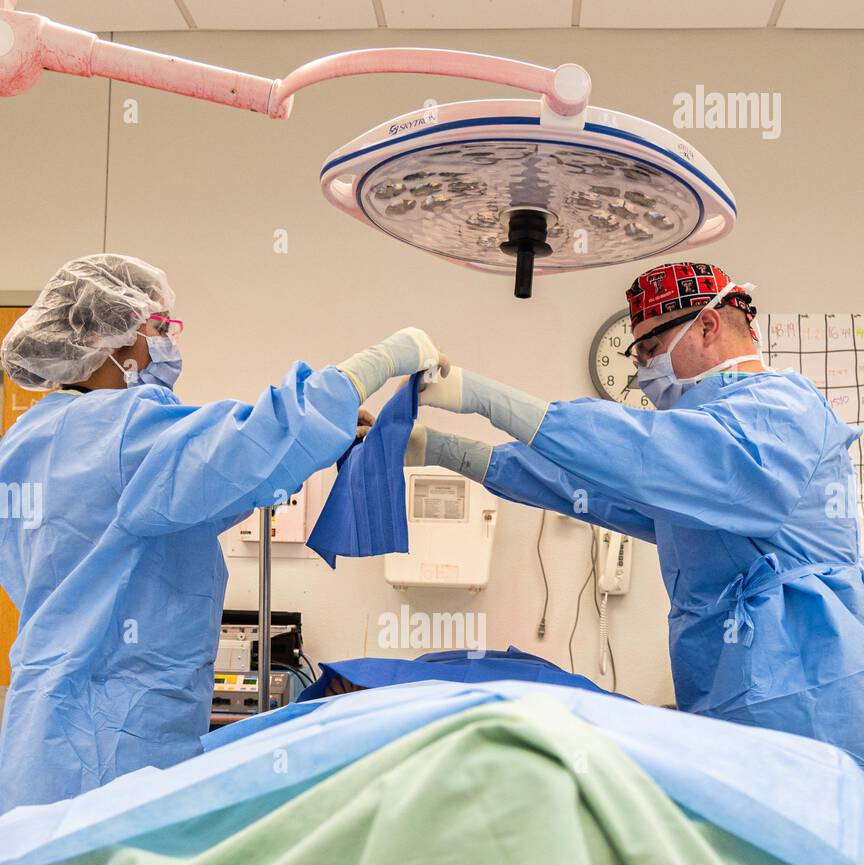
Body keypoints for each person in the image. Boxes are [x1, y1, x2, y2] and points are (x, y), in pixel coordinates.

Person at [0, 253, 447, 813]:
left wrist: (322, 445)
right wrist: (377, 364)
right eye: (155, 329)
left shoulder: (26, 442)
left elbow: (183, 504)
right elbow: (247, 446)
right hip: (112, 737)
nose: (165, 345)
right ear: (97, 336)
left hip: (43, 729)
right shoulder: (120, 435)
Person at [408, 261, 864, 766]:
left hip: (806, 687)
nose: (643, 371)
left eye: (649, 350)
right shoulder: (698, 442)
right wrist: (443, 450)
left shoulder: (781, 407)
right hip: (727, 676)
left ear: (708, 326)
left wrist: (483, 397)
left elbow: (649, 453)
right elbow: (589, 489)